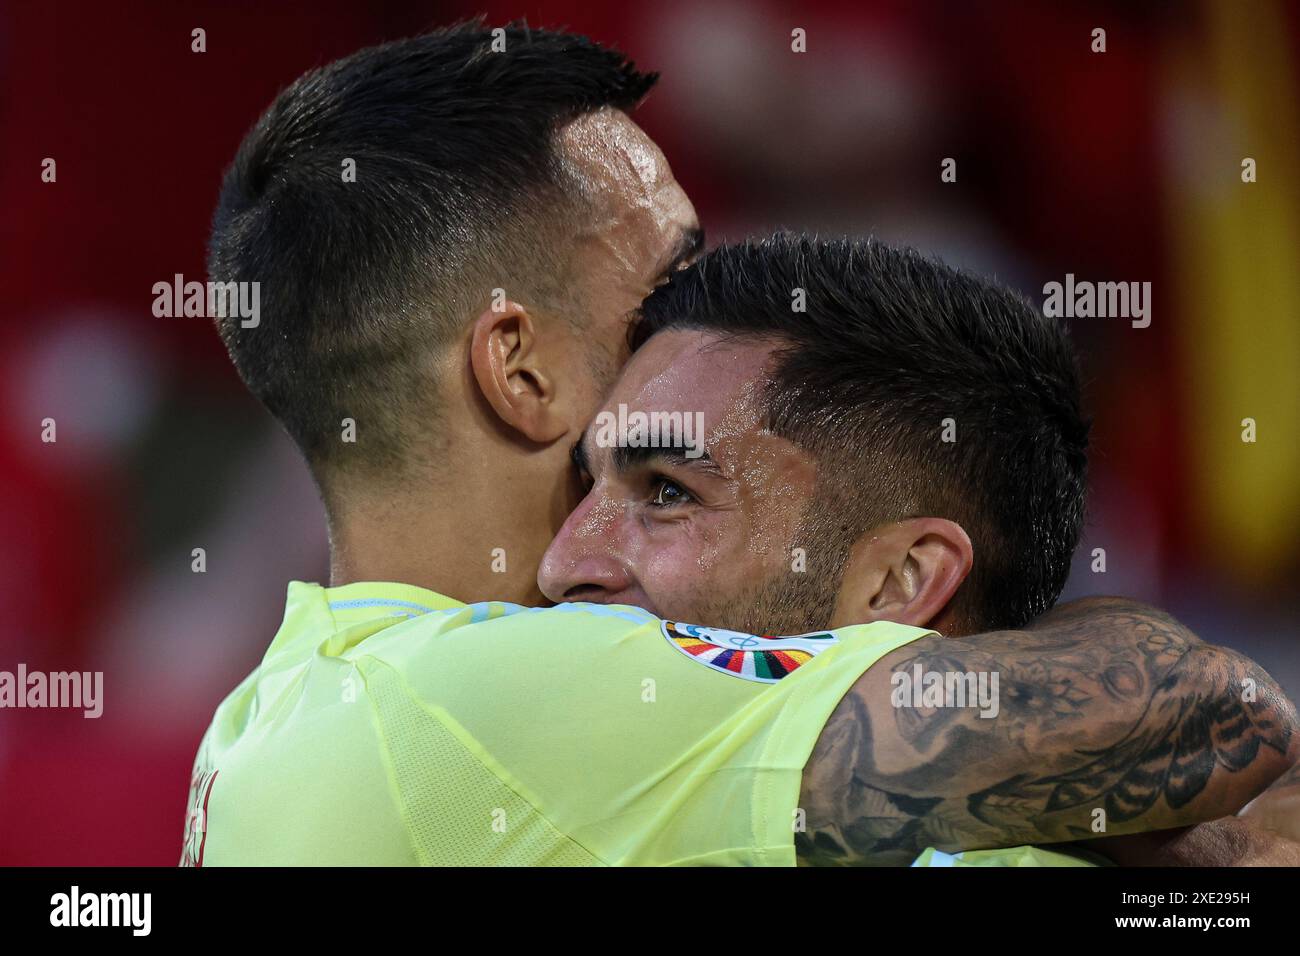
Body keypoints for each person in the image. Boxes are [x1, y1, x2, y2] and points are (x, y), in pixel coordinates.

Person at [187, 25, 1295, 866]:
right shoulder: (506, 694)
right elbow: (1197, 706)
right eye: (663, 277)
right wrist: (1210, 848)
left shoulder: (287, 705)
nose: (692, 318)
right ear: (515, 367)